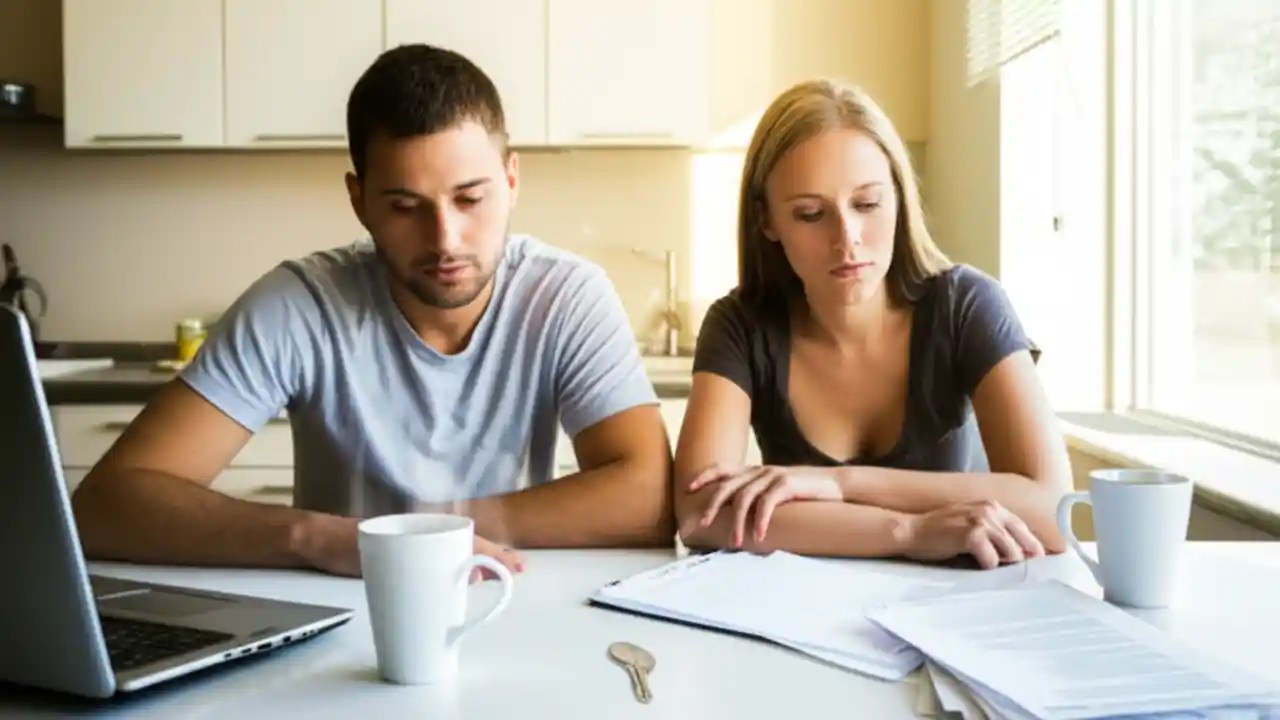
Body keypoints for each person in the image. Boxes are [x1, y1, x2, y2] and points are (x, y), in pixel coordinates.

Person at [71, 44, 674, 579]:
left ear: (512, 181)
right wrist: (318, 537)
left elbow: (649, 501)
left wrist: (434, 529)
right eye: (406, 205)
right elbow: (106, 505)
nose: (446, 238)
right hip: (333, 606)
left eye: (470, 198)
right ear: (358, 200)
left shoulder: (565, 296)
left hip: (507, 591)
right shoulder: (300, 304)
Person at [673, 80, 1072, 570]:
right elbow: (699, 514)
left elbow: (1053, 511)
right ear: (767, 222)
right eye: (810, 214)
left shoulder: (967, 305)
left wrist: (841, 485)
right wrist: (909, 531)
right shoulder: (740, 325)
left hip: (958, 609)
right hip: (803, 615)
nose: (848, 239)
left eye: (867, 204)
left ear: (899, 197)